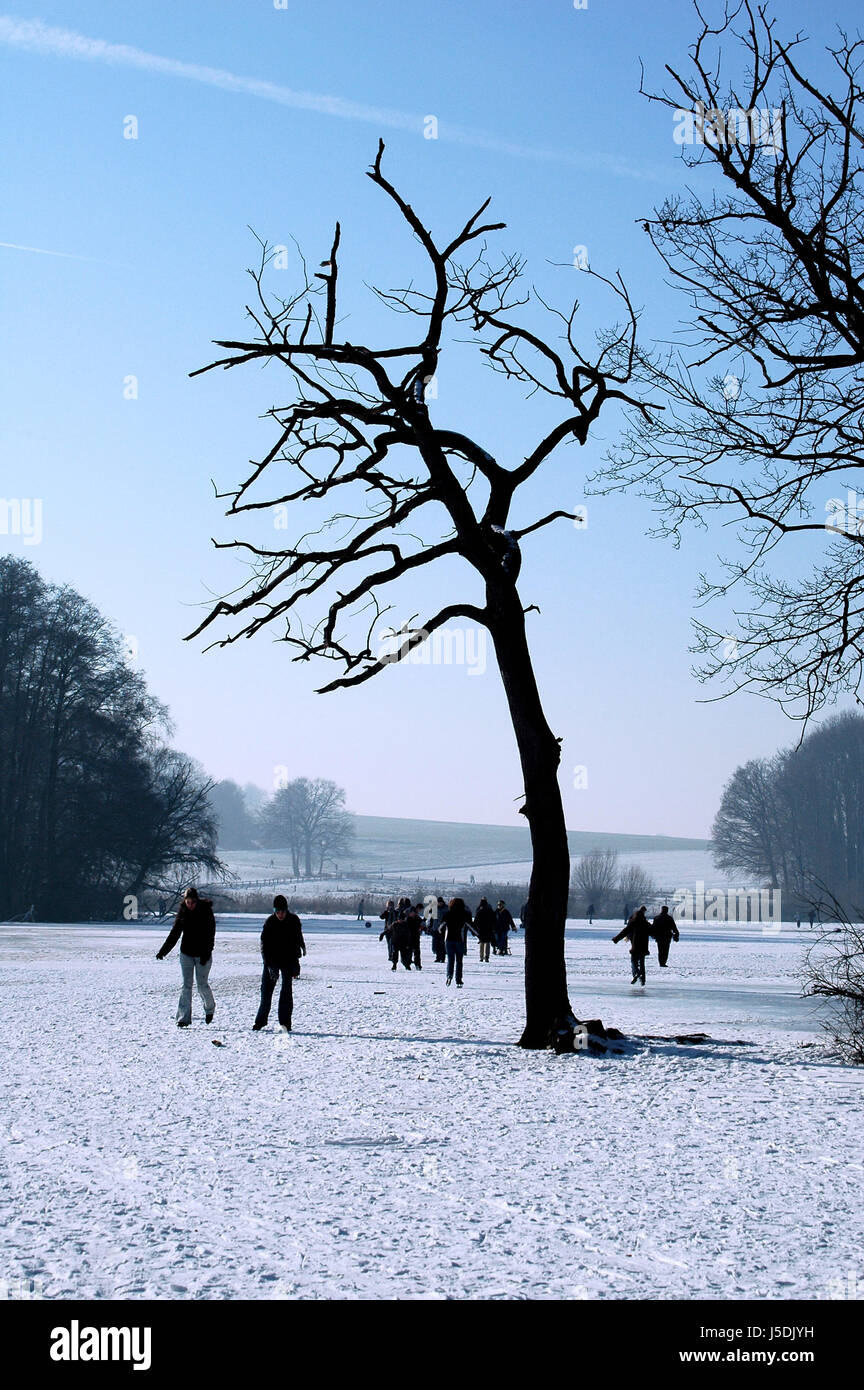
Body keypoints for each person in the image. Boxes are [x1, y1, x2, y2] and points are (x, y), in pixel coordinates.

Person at [156, 887, 217, 1027]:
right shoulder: (183, 912)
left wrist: (206, 953)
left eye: (193, 902)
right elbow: (175, 933)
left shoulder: (206, 912)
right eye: (188, 902)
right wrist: (163, 951)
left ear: (197, 901)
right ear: (185, 901)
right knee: (186, 986)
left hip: (203, 954)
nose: (190, 905)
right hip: (186, 954)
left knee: (202, 985)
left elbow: (210, 935)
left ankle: (210, 1008)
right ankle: (183, 1018)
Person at [253, 895, 306, 1032]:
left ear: (286, 910)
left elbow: (297, 939)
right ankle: (260, 1022)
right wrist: (270, 965)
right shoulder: (270, 922)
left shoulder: (294, 920)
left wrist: (299, 955)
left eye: (283, 911)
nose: (280, 914)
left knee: (286, 992)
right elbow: (264, 946)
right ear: (274, 911)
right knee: (266, 991)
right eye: (278, 912)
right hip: (272, 959)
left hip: (288, 959)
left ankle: (285, 1023)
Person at [612, 905, 652, 987]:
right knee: (642, 963)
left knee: (634, 961)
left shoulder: (633, 922)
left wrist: (616, 939)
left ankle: (636, 973)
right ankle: (643, 980)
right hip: (644, 946)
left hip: (635, 945)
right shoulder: (646, 924)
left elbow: (625, 931)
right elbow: (654, 931)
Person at [442, 897, 473, 987]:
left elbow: (441, 926)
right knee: (459, 961)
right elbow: (470, 926)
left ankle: (449, 976)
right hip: (460, 940)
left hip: (448, 940)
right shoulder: (465, 914)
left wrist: (440, 932)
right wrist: (478, 935)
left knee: (450, 960)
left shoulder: (447, 914)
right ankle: (458, 980)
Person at [474, 897, 497, 961]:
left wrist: (475, 927)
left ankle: (481, 957)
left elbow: (476, 919)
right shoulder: (489, 909)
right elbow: (494, 919)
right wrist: (494, 927)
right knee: (487, 942)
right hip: (488, 928)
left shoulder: (479, 909)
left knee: (482, 942)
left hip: (481, 928)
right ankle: (487, 956)